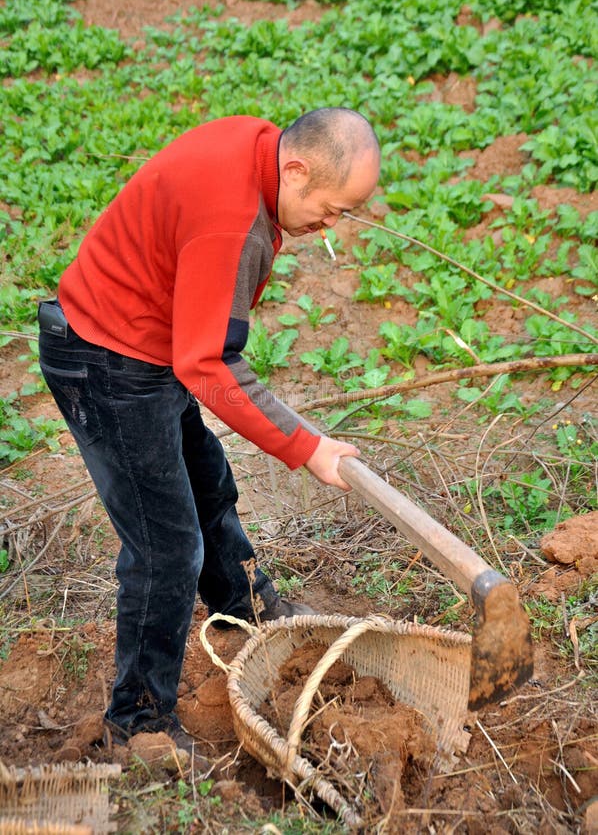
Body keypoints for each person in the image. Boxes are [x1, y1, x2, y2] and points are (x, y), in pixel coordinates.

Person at [37, 107, 381, 749]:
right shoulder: (235, 224)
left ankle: (241, 607)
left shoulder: (255, 143)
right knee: (166, 547)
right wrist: (307, 447)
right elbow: (207, 363)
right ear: (297, 168)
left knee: (208, 486)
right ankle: (137, 722)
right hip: (105, 360)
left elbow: (193, 349)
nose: (333, 226)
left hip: (145, 342)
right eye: (333, 209)